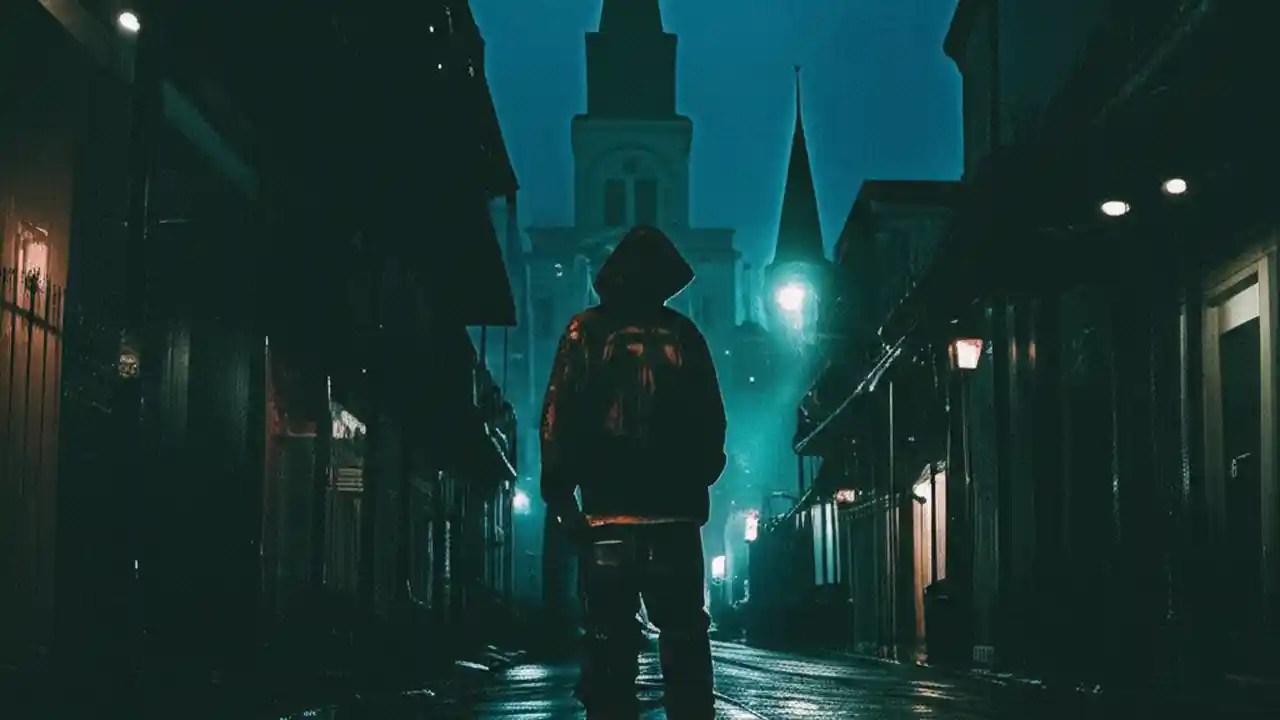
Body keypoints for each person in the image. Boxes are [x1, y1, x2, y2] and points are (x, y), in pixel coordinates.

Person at [540, 225, 727, 719]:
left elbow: (558, 416)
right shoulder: (684, 335)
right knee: (685, 630)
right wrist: (697, 478)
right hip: (674, 516)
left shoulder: (584, 332)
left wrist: (562, 496)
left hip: (607, 515)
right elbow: (712, 420)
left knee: (608, 632)